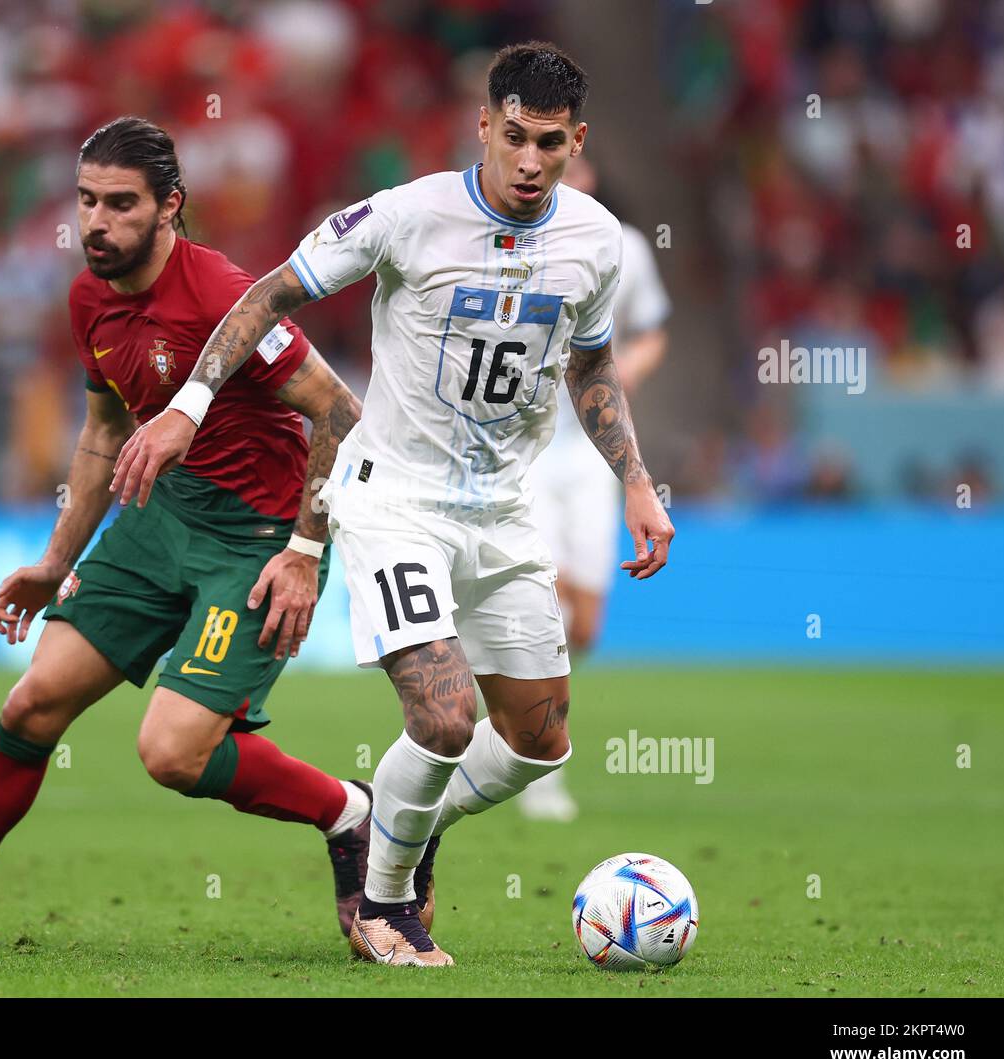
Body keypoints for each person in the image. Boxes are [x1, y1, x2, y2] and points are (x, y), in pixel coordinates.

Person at [111, 42, 675, 967]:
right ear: (484, 125)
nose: (531, 163)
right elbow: (267, 295)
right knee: (446, 718)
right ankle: (385, 903)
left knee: (539, 745)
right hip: (393, 500)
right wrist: (187, 405)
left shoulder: (597, 240)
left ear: (579, 141)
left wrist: (638, 483)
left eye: (552, 145)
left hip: (503, 509)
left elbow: (591, 362)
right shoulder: (406, 217)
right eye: (517, 138)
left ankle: (400, 825)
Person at [0, 117, 372, 944]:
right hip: (160, 519)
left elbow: (341, 411)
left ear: (170, 208)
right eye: (86, 202)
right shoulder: (88, 298)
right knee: (33, 703)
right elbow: (103, 433)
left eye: (120, 204)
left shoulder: (226, 297)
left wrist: (304, 551)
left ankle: (351, 812)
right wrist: (54, 560)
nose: (96, 223)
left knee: (173, 753)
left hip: (258, 538)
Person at [518, 153, 672, 822]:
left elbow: (652, 329)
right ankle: (537, 764)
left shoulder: (624, 247)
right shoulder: (509, 239)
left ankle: (507, 705)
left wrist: (627, 369)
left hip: (591, 453)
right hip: (524, 449)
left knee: (585, 623)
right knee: (540, 602)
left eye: (576, 171)